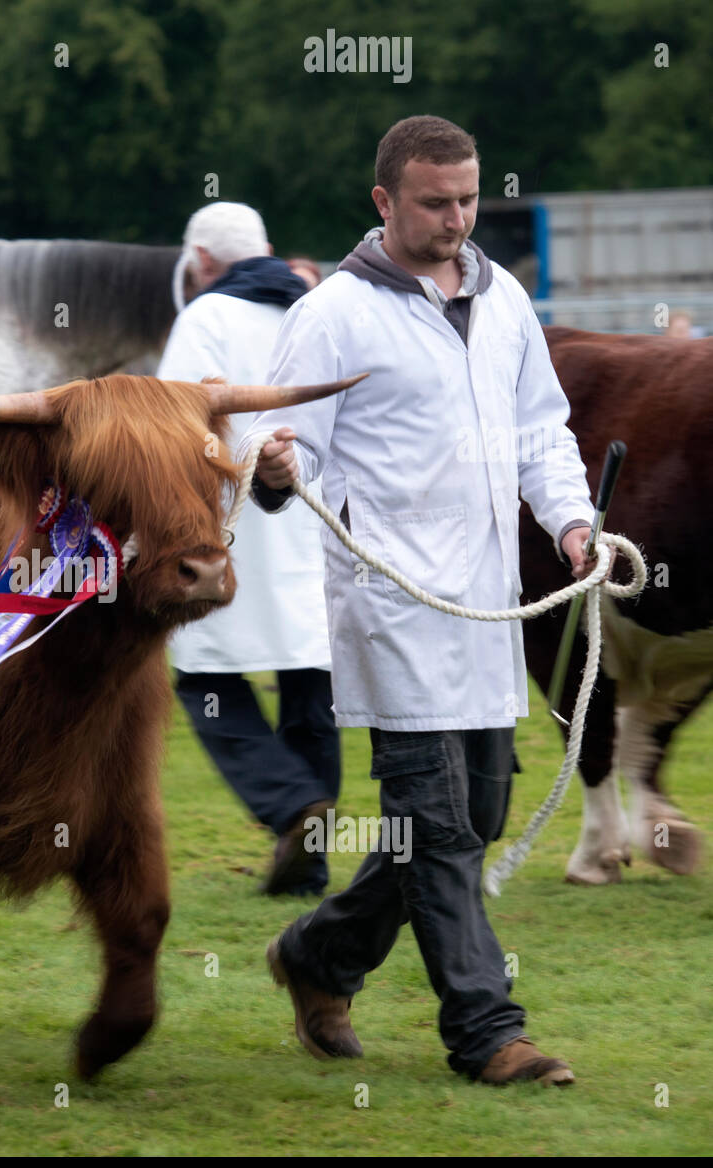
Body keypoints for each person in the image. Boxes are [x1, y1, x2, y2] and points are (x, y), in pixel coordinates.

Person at [250, 116, 597, 1086]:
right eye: (434, 203)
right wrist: (274, 464)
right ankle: (488, 1030)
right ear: (383, 203)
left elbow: (542, 433)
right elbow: (284, 453)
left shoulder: (504, 300)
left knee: (474, 816)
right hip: (390, 606)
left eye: (467, 198)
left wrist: (571, 524)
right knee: (436, 825)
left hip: (486, 606)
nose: (456, 220)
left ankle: (318, 955)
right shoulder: (333, 315)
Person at [158, 202, 339, 897]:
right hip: (316, 521)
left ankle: (294, 806)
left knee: (206, 678)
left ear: (202, 259)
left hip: (232, 527)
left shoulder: (206, 317)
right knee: (308, 685)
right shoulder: (317, 309)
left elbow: (181, 427)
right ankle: (310, 857)